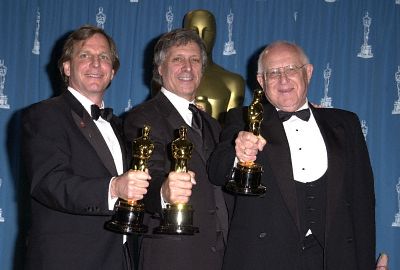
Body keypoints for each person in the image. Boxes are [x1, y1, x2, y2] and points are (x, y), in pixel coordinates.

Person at [208, 41, 376, 270]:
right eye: (273, 73)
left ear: (308, 72)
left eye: (291, 69)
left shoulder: (346, 123)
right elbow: (217, 172)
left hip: (333, 260)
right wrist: (238, 156)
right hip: (263, 260)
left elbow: (362, 201)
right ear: (261, 81)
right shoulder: (243, 119)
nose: (283, 79)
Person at [22, 25, 151, 270]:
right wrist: (113, 187)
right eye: (85, 55)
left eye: (104, 57)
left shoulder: (120, 126)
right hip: (67, 260)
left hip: (120, 259)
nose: (95, 63)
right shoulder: (45, 115)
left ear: (112, 72)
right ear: (67, 67)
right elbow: (49, 182)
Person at [124, 28, 228, 270]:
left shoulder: (212, 124)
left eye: (194, 60)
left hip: (220, 254)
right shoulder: (142, 118)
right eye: (177, 59)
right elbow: (145, 176)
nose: (187, 68)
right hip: (171, 255)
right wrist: (163, 193)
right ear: (160, 69)